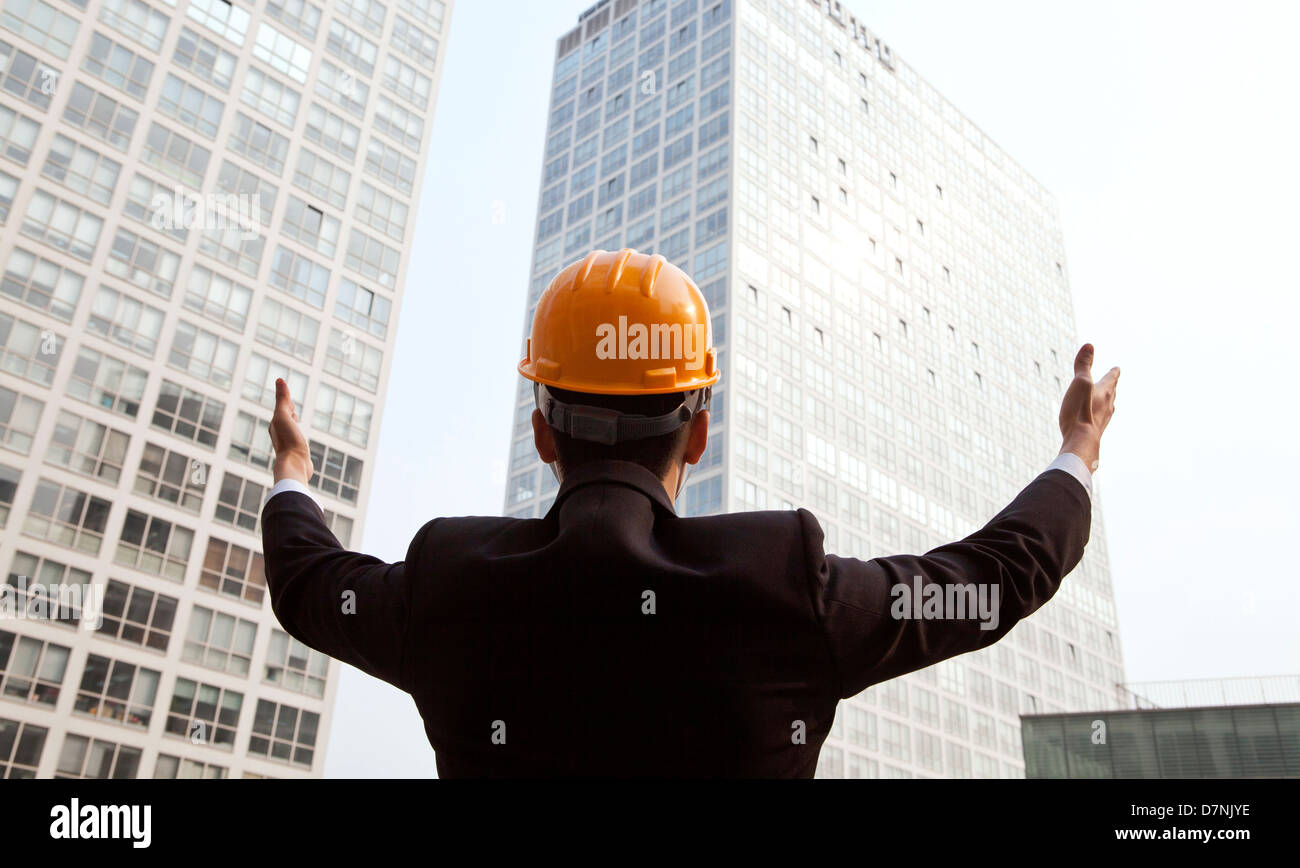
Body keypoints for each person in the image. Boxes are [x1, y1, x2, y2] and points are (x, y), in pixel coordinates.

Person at [261, 248, 1119, 777]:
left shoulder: (450, 582)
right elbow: (988, 583)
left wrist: (294, 467)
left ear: (542, 435)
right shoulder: (781, 579)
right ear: (699, 431)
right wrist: (1076, 449)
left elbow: (307, 587)